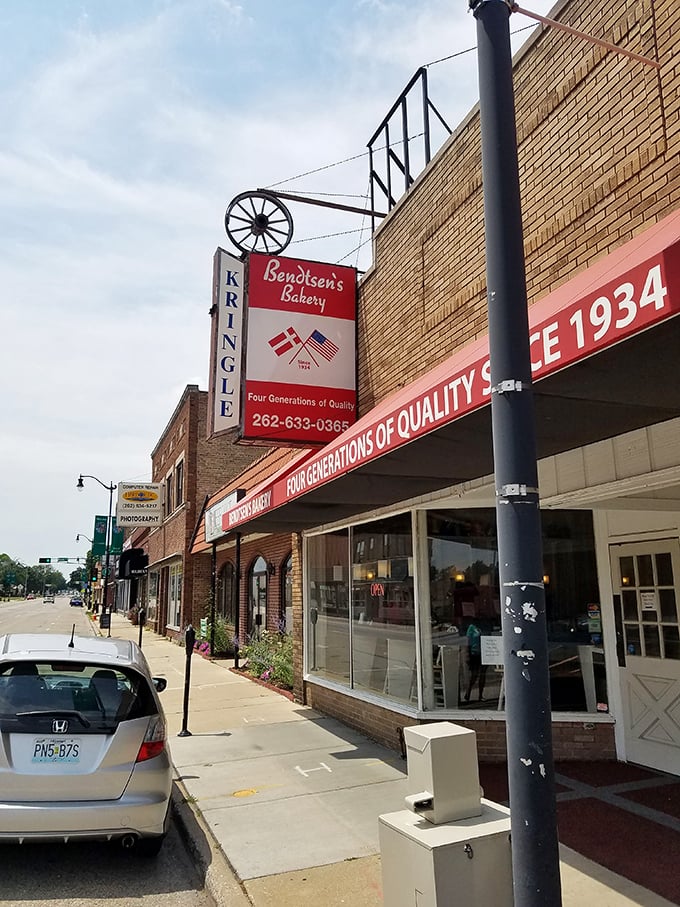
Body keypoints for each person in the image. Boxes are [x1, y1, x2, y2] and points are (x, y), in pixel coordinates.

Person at [464, 619, 487, 702]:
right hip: (474, 654)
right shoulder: (471, 627)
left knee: (483, 674)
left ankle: (480, 695)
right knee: (474, 675)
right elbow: (468, 641)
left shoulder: (484, 626)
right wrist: (467, 654)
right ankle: (468, 693)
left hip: (484, 652)